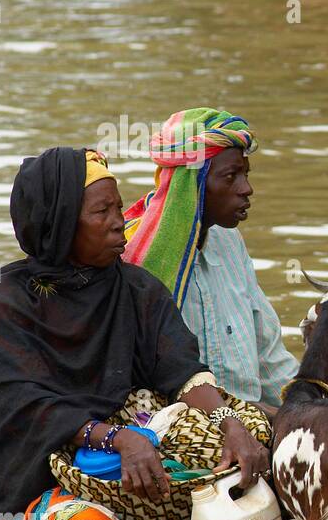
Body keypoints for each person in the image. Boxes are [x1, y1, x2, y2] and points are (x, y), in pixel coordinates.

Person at [0, 147, 271, 520]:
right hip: (44, 474)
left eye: (118, 207)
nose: (119, 221)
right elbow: (25, 406)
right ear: (60, 225)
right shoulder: (9, 299)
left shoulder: (136, 288)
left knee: (258, 462)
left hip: (135, 457)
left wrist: (231, 424)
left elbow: (183, 371)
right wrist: (116, 439)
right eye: (102, 211)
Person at [124, 108, 296, 413]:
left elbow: (269, 356)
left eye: (245, 174)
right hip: (194, 424)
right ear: (192, 185)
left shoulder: (230, 242)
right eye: (231, 177)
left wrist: (311, 407)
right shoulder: (139, 257)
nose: (246, 189)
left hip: (258, 414)